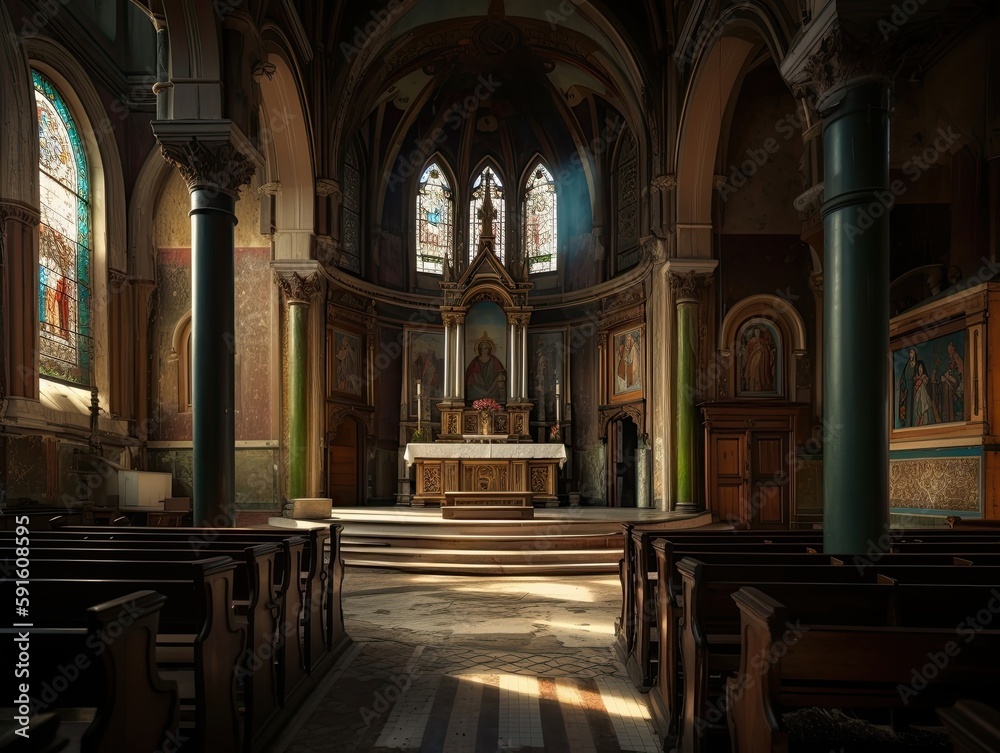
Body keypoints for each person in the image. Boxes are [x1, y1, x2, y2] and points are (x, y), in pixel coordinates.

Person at [466, 333, 506, 401]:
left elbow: (501, 371)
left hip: (493, 386)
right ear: (479, 349)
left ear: (489, 349)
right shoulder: (475, 360)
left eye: (486, 348)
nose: (484, 350)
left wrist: (501, 374)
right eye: (482, 348)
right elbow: (469, 372)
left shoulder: (494, 359)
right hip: (478, 386)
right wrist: (474, 376)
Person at [912, 360, 939, 425]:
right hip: (916, 398)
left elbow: (925, 382)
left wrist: (921, 379)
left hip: (924, 397)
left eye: (921, 367)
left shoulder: (924, 377)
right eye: (918, 368)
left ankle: (922, 421)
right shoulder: (915, 378)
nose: (920, 369)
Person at [897, 347, 918, 427]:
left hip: (913, 386)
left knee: (913, 405)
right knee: (907, 405)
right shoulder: (907, 364)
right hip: (907, 388)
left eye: (912, 353)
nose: (911, 354)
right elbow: (903, 376)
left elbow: (917, 374)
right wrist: (901, 382)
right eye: (910, 353)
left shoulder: (916, 364)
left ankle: (913, 424)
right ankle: (907, 424)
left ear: (915, 354)